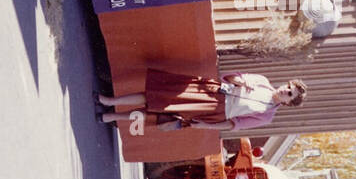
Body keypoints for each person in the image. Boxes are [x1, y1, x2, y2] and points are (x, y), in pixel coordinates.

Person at [96, 71, 306, 131]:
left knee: (157, 113)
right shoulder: (262, 81)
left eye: (289, 94)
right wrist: (240, 81)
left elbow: (234, 124)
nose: (284, 90)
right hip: (212, 91)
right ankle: (110, 101)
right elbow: (229, 77)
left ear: (288, 103)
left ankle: (112, 116)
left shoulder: (267, 115)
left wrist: (205, 125)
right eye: (288, 87)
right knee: (156, 95)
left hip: (213, 111)